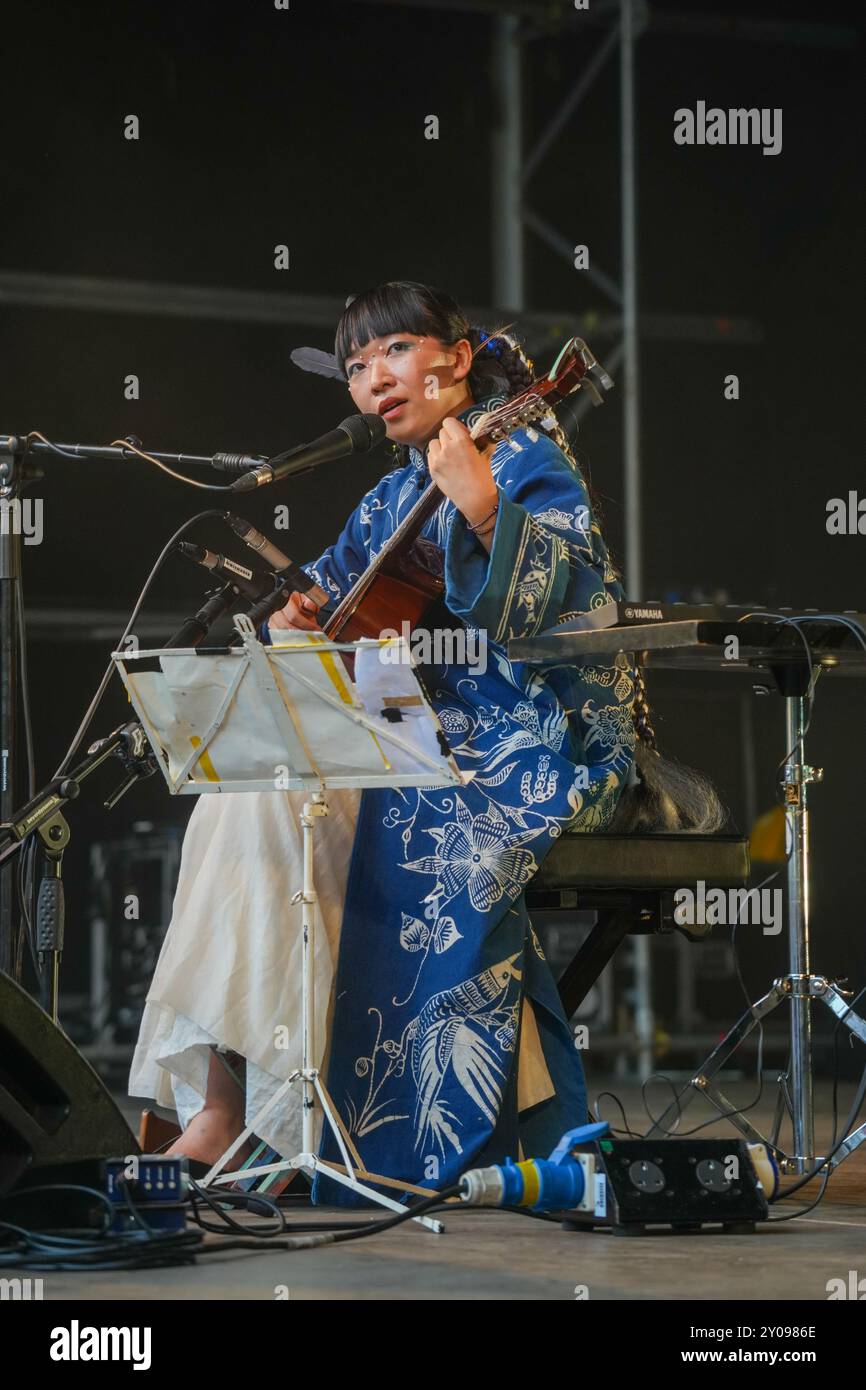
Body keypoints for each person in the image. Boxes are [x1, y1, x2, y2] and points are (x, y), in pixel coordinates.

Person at [129, 280, 644, 1204]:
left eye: (393, 353)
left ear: (453, 357)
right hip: (412, 725)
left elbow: (580, 610)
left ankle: (266, 1122)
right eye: (356, 368)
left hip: (521, 735)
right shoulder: (389, 493)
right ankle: (236, 1100)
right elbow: (332, 598)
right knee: (244, 787)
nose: (372, 379)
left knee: (308, 804)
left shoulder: (524, 453)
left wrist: (487, 511)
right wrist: (298, 611)